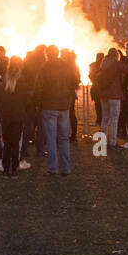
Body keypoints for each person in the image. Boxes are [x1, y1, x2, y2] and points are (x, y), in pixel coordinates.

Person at [38, 45, 73, 176]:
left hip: (49, 106)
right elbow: (74, 82)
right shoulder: (66, 66)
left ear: (47, 54)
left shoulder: (45, 68)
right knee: (64, 139)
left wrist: (39, 104)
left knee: (51, 139)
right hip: (64, 106)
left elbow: (39, 87)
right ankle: (66, 168)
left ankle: (53, 168)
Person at [0, 56, 30, 177]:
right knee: (15, 143)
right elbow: (27, 100)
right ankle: (15, 169)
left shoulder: (4, 83)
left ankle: (6, 169)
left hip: (6, 116)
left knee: (7, 143)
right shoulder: (22, 83)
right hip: (17, 116)